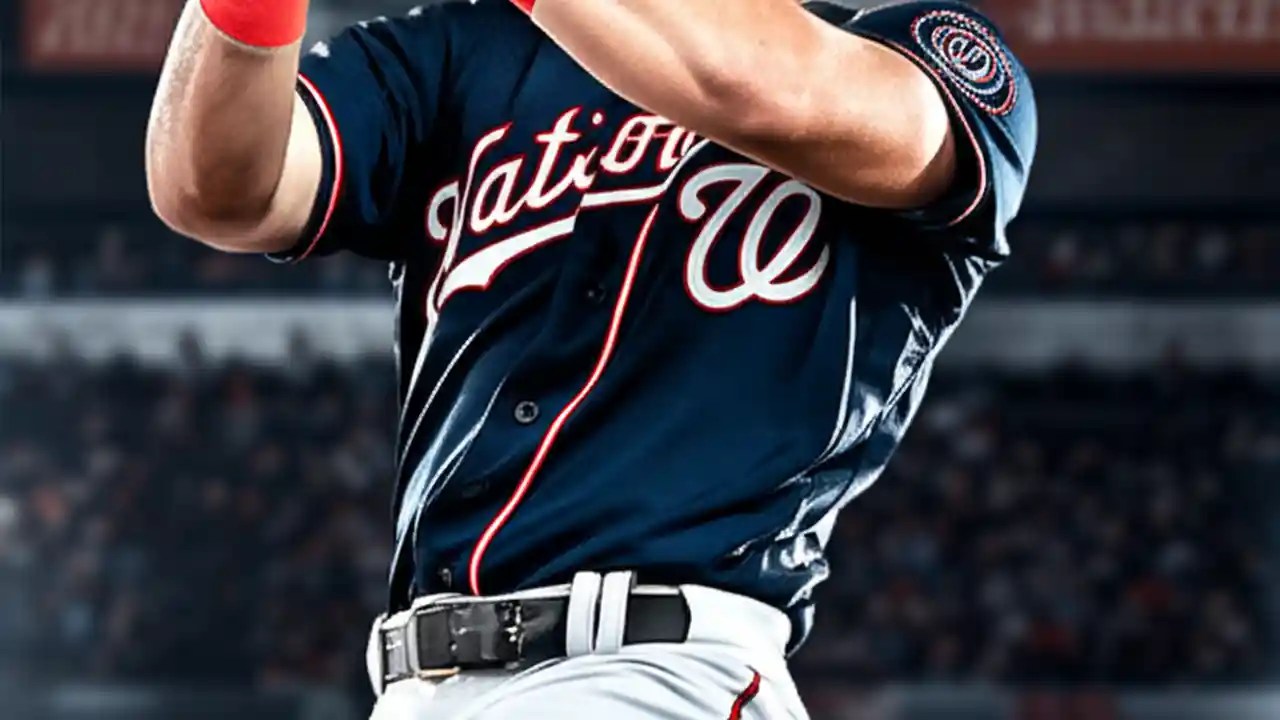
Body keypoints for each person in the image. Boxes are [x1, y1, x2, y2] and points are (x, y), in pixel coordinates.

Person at [145, 0, 1037, 716]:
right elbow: (220, 186)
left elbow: (757, 86)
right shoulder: (466, 46)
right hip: (418, 682)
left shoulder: (923, 52)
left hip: (659, 667)